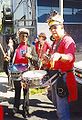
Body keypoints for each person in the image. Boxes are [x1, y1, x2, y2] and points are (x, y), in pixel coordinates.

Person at [47, 10, 78, 120]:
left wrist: (60, 56)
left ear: (62, 26)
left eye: (55, 27)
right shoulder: (56, 42)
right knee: (56, 103)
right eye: (51, 28)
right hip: (56, 76)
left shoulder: (68, 40)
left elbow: (70, 57)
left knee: (62, 108)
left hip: (64, 77)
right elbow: (53, 58)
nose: (52, 30)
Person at [12, 28, 38, 118]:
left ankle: (26, 110)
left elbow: (36, 60)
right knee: (17, 91)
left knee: (26, 92)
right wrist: (7, 59)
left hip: (26, 72)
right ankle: (15, 107)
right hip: (16, 71)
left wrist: (30, 56)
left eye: (26, 36)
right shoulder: (16, 47)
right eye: (22, 35)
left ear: (28, 37)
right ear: (19, 36)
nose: (24, 37)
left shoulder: (31, 47)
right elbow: (12, 58)